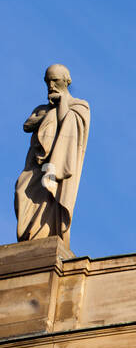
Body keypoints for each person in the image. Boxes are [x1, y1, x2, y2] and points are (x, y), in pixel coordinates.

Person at [15, 64, 90, 242]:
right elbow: (27, 125)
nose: (51, 85)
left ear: (67, 81)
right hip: (35, 165)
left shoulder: (79, 106)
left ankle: (45, 235)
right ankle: (29, 238)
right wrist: (48, 114)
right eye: (48, 81)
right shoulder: (42, 109)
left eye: (55, 80)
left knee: (50, 197)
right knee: (21, 190)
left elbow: (69, 125)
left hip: (56, 168)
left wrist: (61, 102)